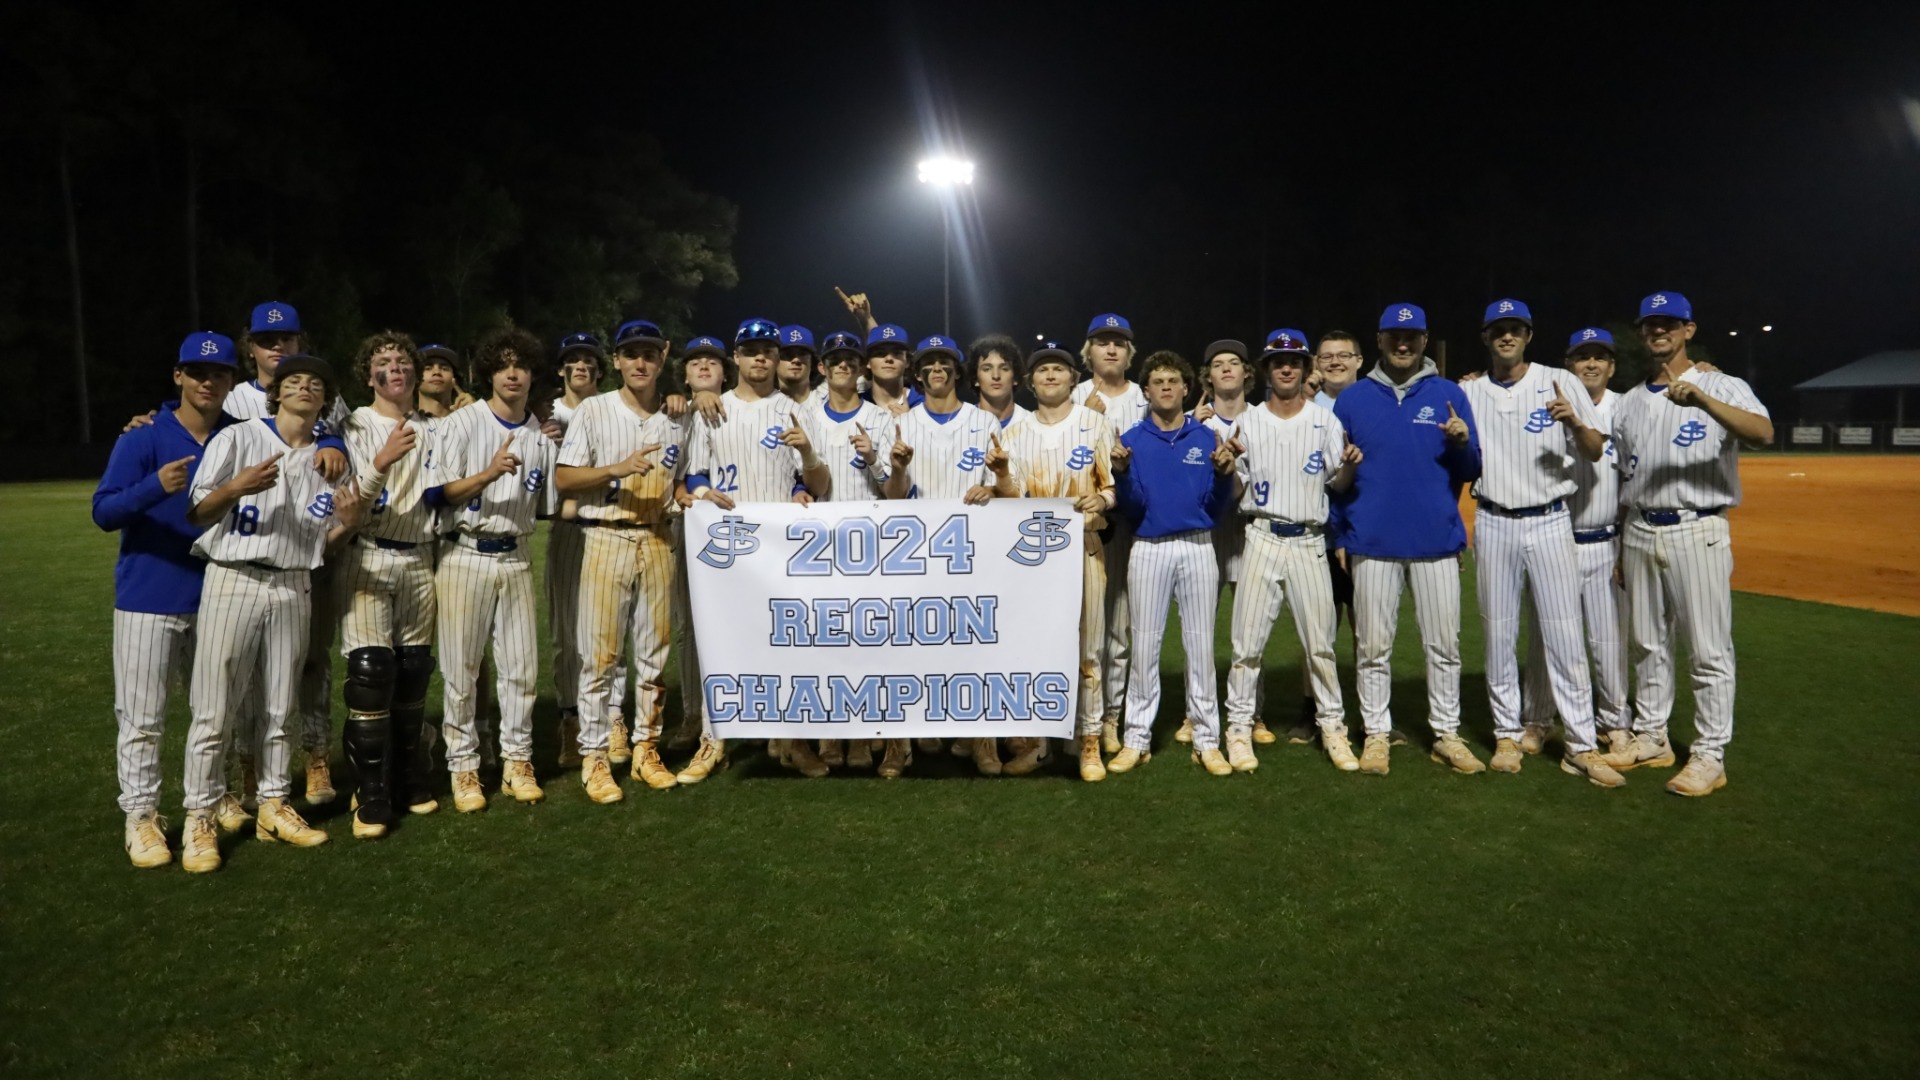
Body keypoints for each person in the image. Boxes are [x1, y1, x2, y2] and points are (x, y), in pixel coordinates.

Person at [177, 354, 363, 872]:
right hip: (233, 578)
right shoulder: (237, 440)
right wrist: (235, 487)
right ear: (275, 393)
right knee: (214, 708)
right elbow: (196, 512)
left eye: (316, 383)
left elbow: (318, 544)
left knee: (282, 706)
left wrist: (347, 525)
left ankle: (274, 805)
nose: (305, 388)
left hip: (293, 584)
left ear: (325, 399)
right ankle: (200, 815)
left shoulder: (330, 460)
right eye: (294, 382)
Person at [1607, 291, 1772, 797]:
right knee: (1647, 643)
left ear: (1689, 329)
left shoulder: (1722, 384)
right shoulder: (1631, 402)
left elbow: (1763, 432)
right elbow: (1620, 479)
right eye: (1651, 324)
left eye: (1670, 324)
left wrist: (1703, 397)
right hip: (1638, 529)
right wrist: (1617, 544)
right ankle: (1653, 736)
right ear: (1641, 332)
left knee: (1707, 649)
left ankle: (1709, 754)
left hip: (1697, 527)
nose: (1660, 331)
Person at [1456, 300, 1623, 786]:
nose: (1506, 337)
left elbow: (1594, 451)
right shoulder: (1469, 390)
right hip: (1493, 520)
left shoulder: (1560, 379)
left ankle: (1582, 744)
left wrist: (1574, 421)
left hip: (1551, 520)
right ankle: (1507, 733)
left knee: (1564, 633)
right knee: (1498, 633)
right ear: (1487, 337)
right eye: (1498, 330)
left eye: (1515, 329)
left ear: (1528, 335)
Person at [93, 332, 243, 866]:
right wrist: (154, 486)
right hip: (148, 593)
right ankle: (142, 817)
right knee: (142, 718)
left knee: (214, 713)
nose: (208, 380)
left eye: (219, 372)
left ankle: (207, 805)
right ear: (177, 376)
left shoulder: (240, 437)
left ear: (231, 381)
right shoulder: (144, 437)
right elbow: (104, 512)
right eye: (197, 371)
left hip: (220, 593)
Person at [1333, 303, 1483, 776]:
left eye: (1412, 336)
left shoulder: (1449, 393)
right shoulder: (1352, 399)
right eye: (1394, 336)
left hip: (1435, 541)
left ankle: (1446, 732)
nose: (1403, 343)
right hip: (1370, 540)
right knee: (1373, 646)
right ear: (1378, 340)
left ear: (1424, 340)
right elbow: (1336, 473)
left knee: (1444, 645)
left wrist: (1461, 442)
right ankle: (1376, 732)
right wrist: (1340, 533)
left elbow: (1472, 470)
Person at [551, 319, 693, 799]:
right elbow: (565, 478)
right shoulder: (594, 409)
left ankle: (645, 749)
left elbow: (682, 477)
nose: (640, 362)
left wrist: (686, 492)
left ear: (662, 358)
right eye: (631, 353)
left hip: (657, 536)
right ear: (616, 360)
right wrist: (615, 468)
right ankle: (594, 756)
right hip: (606, 536)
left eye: (649, 354)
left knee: (654, 656)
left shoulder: (678, 417)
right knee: (600, 658)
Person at [686, 318, 831, 777]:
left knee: (784, 642)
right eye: (750, 350)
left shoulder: (795, 409)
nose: (760, 357)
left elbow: (818, 484)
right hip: (727, 541)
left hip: (778, 545)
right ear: (737, 358)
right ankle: (714, 739)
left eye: (767, 349)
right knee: (720, 640)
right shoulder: (711, 407)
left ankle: (791, 739)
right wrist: (703, 492)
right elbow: (693, 474)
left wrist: (807, 457)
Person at [424, 328, 559, 812]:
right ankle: (463, 766)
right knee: (462, 669)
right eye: (503, 365)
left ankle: (517, 761)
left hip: (518, 555)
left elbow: (547, 506)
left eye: (521, 365)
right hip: (465, 553)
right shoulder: (463, 424)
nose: (513, 373)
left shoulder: (540, 441)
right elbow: (435, 494)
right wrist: (486, 474)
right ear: (489, 373)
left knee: (521, 669)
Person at [1221, 338, 1362, 773]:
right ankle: (1239, 730)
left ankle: (1333, 729)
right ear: (1266, 371)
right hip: (1261, 536)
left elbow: (1338, 486)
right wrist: (1225, 470)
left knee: (1320, 645)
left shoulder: (1324, 421)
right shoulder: (1247, 421)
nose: (1286, 370)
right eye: (1278, 364)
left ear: (1305, 369)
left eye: (1294, 363)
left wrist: (1352, 465)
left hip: (1308, 540)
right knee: (1247, 645)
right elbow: (1236, 491)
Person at [884, 334, 1017, 776]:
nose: (937, 369)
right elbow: (892, 496)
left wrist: (994, 487)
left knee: (976, 647)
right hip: (915, 552)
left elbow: (1006, 489)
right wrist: (899, 468)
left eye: (945, 363)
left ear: (958, 371)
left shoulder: (983, 422)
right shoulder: (902, 422)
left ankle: (982, 740)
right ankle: (899, 744)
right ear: (918, 373)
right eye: (929, 364)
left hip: (969, 551)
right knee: (907, 648)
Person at [1106, 351, 1241, 777]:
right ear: (1145, 391)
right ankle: (1136, 739)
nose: (1166, 387)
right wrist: (1123, 473)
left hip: (1199, 545)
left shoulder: (1205, 438)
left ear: (1186, 389)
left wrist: (1223, 476)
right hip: (1148, 547)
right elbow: (1132, 509)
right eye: (1157, 381)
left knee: (1200, 646)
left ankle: (1207, 740)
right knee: (1144, 645)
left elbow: (1215, 508)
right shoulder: (1131, 439)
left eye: (1173, 381)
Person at [334, 331, 445, 835]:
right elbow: (349, 500)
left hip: (419, 555)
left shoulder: (438, 426)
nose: (396, 367)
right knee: (371, 670)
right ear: (368, 374)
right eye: (384, 361)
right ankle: (370, 790)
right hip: (369, 553)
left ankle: (410, 773)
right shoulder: (352, 425)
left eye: (403, 360)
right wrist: (382, 460)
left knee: (415, 668)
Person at [999, 342, 1117, 780]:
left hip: (1085, 546)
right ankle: (1037, 744)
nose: (1051, 376)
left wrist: (1102, 499)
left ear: (1073, 378)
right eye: (1042, 370)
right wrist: (995, 481)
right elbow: (1009, 496)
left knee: (1088, 649)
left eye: (1059, 369)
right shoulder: (1014, 432)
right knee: (1036, 651)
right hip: (1035, 557)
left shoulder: (1095, 423)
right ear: (1030, 382)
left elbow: (1111, 487)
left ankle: (1088, 742)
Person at [1518, 328, 1635, 759]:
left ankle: (1614, 721)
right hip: (1555, 538)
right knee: (1544, 638)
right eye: (1582, 356)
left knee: (1608, 641)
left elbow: (1632, 479)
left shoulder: (1625, 408)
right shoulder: (1546, 399)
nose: (1590, 364)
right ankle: (1537, 718)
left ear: (1611, 366)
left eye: (1599, 357)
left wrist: (1625, 547)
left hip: (1605, 541)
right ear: (1569, 364)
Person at [804, 329, 900, 771]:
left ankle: (863, 735)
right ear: (822, 368)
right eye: (834, 359)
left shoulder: (880, 417)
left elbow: (895, 490)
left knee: (868, 640)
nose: (843, 364)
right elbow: (815, 486)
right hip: (820, 542)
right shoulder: (805, 414)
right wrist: (808, 454)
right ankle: (829, 731)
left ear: (860, 368)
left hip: (871, 540)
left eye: (849, 358)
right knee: (825, 641)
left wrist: (873, 458)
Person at [1070, 314, 1149, 754]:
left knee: (1119, 625)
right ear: (1090, 352)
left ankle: (1111, 716)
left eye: (1120, 341)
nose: (1112, 349)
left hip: (1133, 521)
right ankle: (1074, 713)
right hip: (1082, 524)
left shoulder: (1143, 397)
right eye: (1103, 342)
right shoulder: (1075, 395)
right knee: (1078, 627)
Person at [663, 335, 732, 764]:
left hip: (739, 529)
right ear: (685, 375)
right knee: (688, 625)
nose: (704, 366)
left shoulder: (741, 409)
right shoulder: (672, 413)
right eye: (696, 362)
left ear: (726, 371)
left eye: (713, 361)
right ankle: (692, 714)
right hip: (686, 527)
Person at [1181, 338, 1253, 744]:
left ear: (1246, 372)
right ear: (1207, 375)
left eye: (1234, 363)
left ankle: (1252, 713)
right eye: (1218, 364)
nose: (1226, 369)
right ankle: (1194, 712)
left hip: (1246, 533)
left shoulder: (1261, 419)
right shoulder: (1192, 424)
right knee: (1198, 630)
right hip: (1204, 536)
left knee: (1248, 632)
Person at [545, 332, 610, 767]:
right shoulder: (543, 413)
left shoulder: (614, 408)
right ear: (561, 370)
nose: (581, 366)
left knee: (610, 631)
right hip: (564, 529)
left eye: (589, 360)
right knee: (567, 632)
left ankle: (613, 720)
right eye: (573, 360)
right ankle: (570, 719)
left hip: (608, 523)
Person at [969, 333, 1033, 428]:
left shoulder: (1031, 424)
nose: (996, 376)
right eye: (987, 369)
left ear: (1015, 378)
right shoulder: (960, 424)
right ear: (975, 379)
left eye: (1004, 369)